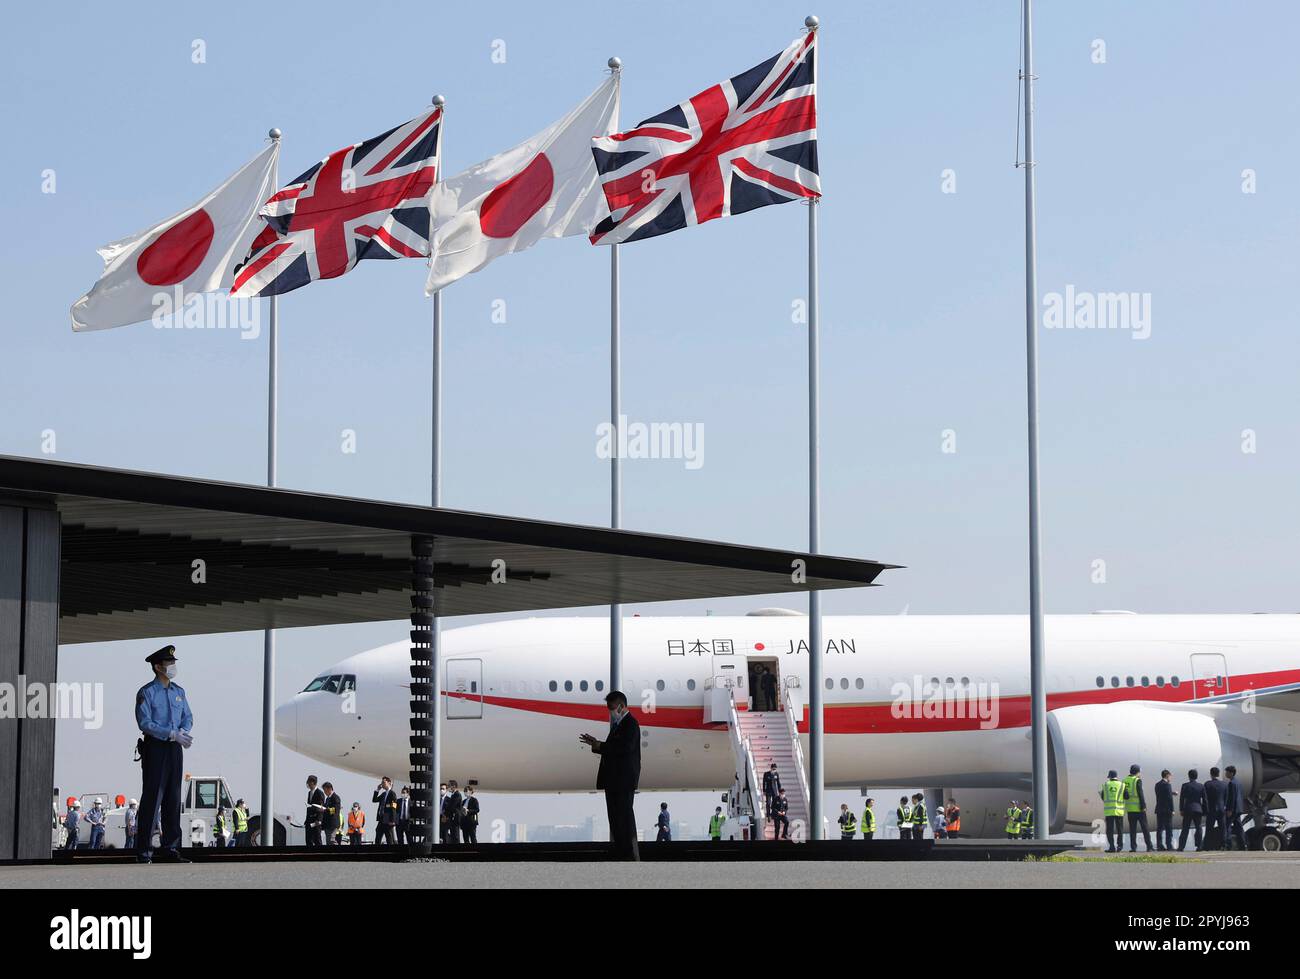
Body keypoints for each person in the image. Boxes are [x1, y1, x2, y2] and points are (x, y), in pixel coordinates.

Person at [134, 644, 193, 864]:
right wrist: (169, 733)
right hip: (156, 746)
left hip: (175, 747)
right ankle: (145, 852)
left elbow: (188, 716)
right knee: (153, 798)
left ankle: (170, 848)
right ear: (158, 667)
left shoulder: (179, 691)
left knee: (173, 798)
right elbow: (145, 722)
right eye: (169, 663)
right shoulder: (147, 692)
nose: (173, 666)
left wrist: (182, 732)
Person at [579, 690, 642, 861]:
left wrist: (601, 745)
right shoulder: (619, 725)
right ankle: (622, 854)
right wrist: (597, 744)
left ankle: (630, 855)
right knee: (616, 821)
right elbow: (615, 748)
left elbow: (624, 749)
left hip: (622, 781)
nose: (610, 711)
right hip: (614, 781)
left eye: (611, 708)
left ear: (621, 706)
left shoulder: (630, 724)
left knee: (624, 820)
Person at [1122, 764, 1153, 852]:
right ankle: (1149, 847)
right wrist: (1143, 806)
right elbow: (1140, 794)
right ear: (1137, 772)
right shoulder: (1137, 780)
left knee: (1132, 830)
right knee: (1145, 828)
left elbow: (1125, 795)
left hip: (1130, 809)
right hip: (1139, 809)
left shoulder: (1124, 780)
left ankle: (1133, 847)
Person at [1178, 768, 1206, 852]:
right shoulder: (1201, 786)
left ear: (1189, 776)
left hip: (1188, 809)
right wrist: (1204, 810)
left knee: (1185, 828)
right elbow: (1205, 800)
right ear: (1197, 776)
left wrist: (1181, 809)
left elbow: (1182, 799)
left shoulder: (1185, 785)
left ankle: (1181, 846)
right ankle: (1199, 846)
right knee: (1199, 828)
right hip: (1198, 809)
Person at [1223, 765, 1248, 851]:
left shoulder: (1231, 783)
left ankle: (1228, 844)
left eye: (1227, 772)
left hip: (1233, 809)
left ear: (1231, 773)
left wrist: (1229, 809)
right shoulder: (1239, 783)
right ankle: (1243, 845)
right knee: (1239, 827)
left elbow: (1232, 798)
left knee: (1227, 826)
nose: (1226, 774)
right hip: (1239, 808)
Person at [1100, 771, 1125, 853]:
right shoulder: (1122, 785)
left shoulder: (1105, 785)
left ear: (1109, 777)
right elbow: (1127, 796)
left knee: (1109, 830)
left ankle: (1112, 847)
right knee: (1120, 830)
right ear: (1116, 776)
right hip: (1119, 811)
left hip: (1109, 811)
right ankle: (1119, 846)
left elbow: (1103, 796)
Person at [1204, 767, 1227, 850]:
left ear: (1211, 774)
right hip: (1221, 808)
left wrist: (1205, 809)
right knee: (1222, 828)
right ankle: (1223, 845)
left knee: (1209, 828)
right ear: (1218, 774)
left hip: (1211, 809)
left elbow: (1205, 798)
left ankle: (1207, 846)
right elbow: (1226, 797)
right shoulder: (1224, 784)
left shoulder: (1207, 784)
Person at [372, 776, 398, 845]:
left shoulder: (392, 793)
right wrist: (377, 790)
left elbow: (394, 807)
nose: (382, 784)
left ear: (389, 783)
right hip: (381, 817)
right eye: (381, 782)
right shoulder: (384, 794)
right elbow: (374, 800)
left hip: (387, 817)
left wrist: (392, 820)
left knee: (388, 836)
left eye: (384, 782)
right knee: (378, 833)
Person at [1154, 769, 1176, 851]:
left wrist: (1171, 792)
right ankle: (1169, 845)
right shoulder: (1167, 785)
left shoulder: (1157, 785)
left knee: (1159, 828)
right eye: (1170, 776)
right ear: (1167, 775)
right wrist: (1172, 809)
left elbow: (1161, 795)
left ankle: (1159, 845)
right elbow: (1169, 799)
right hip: (1167, 810)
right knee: (1168, 829)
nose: (1171, 778)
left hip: (1159, 809)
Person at [304, 775, 326, 847]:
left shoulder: (319, 793)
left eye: (309, 782)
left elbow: (321, 808)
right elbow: (310, 806)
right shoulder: (309, 793)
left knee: (317, 839)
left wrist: (318, 819)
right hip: (309, 820)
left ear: (313, 782)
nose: (308, 784)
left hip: (316, 821)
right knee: (308, 839)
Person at [322, 782, 343, 846]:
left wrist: (326, 809)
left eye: (325, 790)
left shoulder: (335, 797)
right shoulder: (328, 798)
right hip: (327, 824)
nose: (325, 792)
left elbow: (335, 810)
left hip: (332, 824)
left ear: (330, 789)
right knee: (328, 841)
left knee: (332, 840)